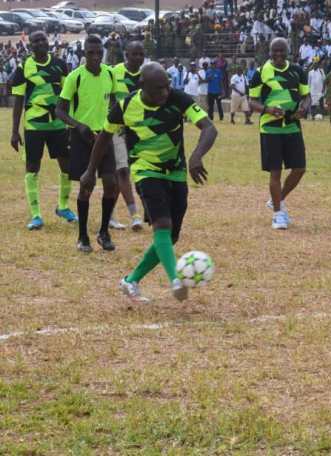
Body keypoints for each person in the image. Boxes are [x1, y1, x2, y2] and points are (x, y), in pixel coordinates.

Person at [82, 63, 217, 303]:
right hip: (146, 171)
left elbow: (209, 127)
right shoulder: (124, 107)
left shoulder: (178, 99)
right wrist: (90, 171)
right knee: (161, 225)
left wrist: (196, 156)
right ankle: (176, 279)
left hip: (175, 172)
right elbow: (103, 138)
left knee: (169, 237)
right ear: (142, 86)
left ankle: (130, 280)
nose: (164, 93)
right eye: (158, 89)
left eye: (167, 87)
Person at [55, 35, 119, 253]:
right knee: (86, 186)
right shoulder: (75, 77)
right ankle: (83, 235)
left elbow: (115, 101)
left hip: (105, 136)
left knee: (111, 183)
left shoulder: (110, 74)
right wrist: (78, 125)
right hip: (82, 138)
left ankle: (103, 232)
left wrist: (115, 121)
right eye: (90, 52)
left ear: (103, 53)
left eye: (98, 52)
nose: (95, 56)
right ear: (84, 54)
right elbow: (59, 109)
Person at [9, 31, 75, 231]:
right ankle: (36, 215)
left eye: (42, 40)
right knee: (32, 168)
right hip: (33, 127)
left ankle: (63, 207)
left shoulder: (60, 65)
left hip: (58, 126)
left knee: (67, 167)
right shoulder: (23, 68)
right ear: (30, 46)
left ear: (48, 43)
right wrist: (14, 131)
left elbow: (68, 96)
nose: (39, 43)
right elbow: (18, 100)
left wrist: (71, 124)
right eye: (35, 41)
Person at [248, 38, 311, 231]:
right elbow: (252, 101)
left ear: (289, 51)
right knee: (275, 172)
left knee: (299, 168)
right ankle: (278, 215)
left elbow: (306, 96)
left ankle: (278, 198)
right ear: (269, 52)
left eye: (282, 51)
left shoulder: (298, 71)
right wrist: (267, 109)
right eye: (275, 51)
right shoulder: (261, 73)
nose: (279, 55)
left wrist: (304, 108)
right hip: (270, 128)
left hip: (292, 126)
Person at [109, 40, 146, 232]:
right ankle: (135, 216)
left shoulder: (147, 74)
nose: (138, 58)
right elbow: (108, 100)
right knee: (122, 171)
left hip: (140, 131)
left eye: (141, 54)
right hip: (118, 129)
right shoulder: (114, 72)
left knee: (136, 172)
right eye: (134, 54)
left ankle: (110, 215)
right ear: (126, 55)